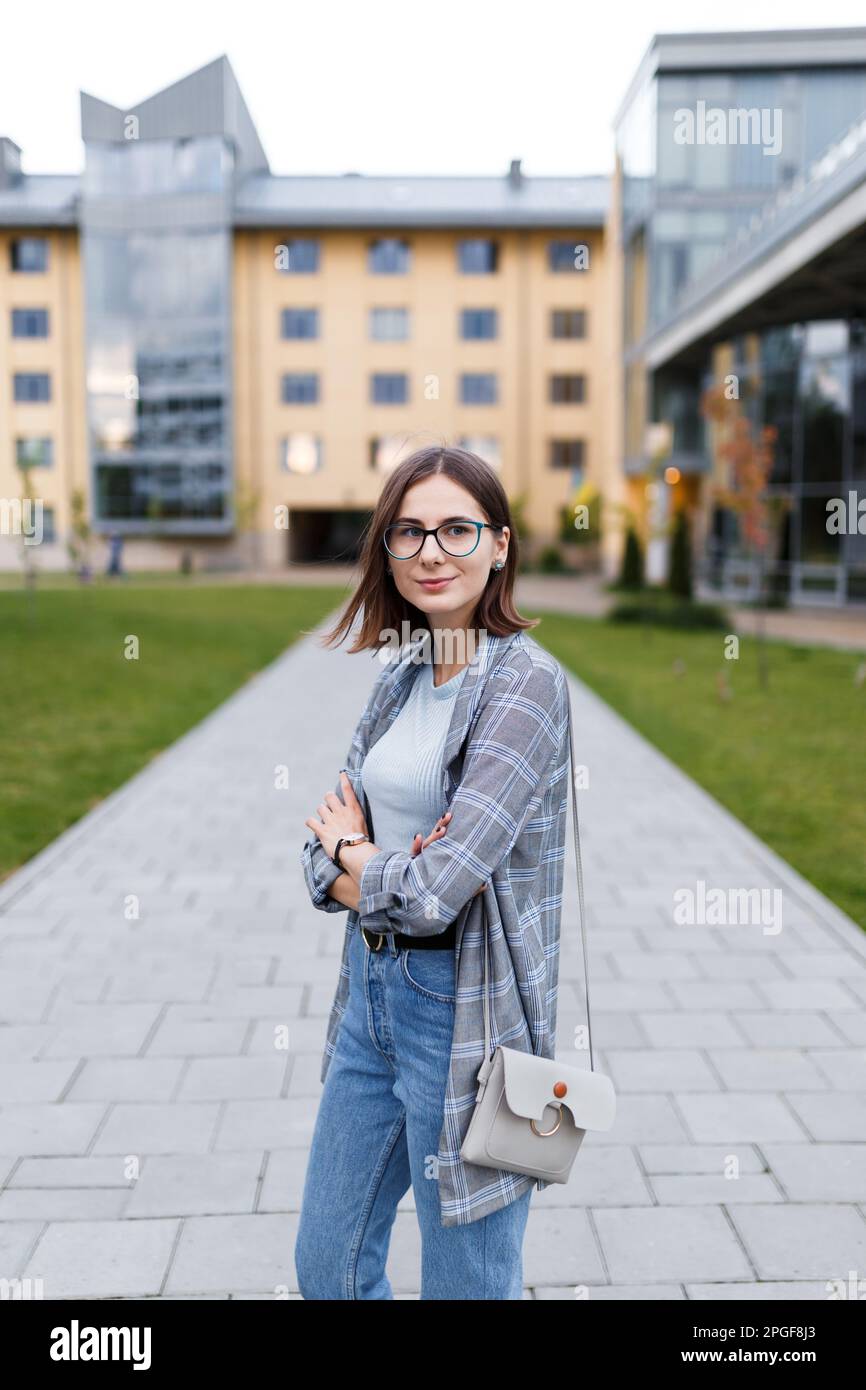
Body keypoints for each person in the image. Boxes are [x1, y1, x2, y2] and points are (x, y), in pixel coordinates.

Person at [296, 444, 570, 1299]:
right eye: (408, 532)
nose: (431, 552)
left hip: (466, 1016)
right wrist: (362, 858)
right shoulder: (401, 673)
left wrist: (359, 856)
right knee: (327, 1268)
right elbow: (317, 849)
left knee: (467, 1285)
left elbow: (437, 894)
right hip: (367, 1001)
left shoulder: (526, 688)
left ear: (500, 544)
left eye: (457, 528)